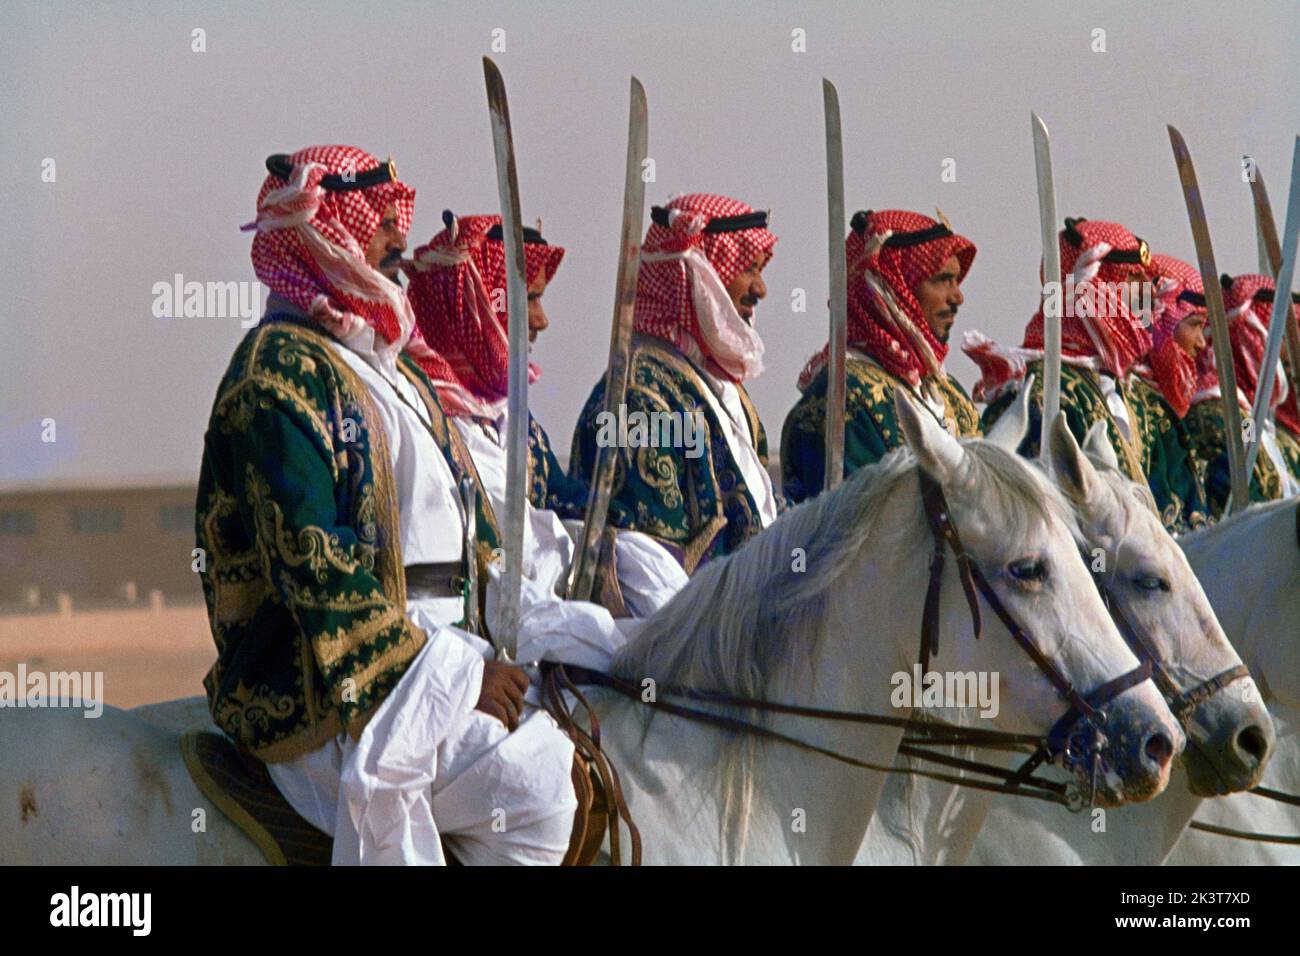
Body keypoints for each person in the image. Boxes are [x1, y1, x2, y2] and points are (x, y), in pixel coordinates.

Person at [196, 145, 575, 865]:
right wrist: (460, 681)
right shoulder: (276, 376)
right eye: (379, 223)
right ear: (323, 230)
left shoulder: (392, 373)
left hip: (448, 657)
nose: (396, 240)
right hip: (328, 693)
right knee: (537, 789)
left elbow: (481, 545)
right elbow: (316, 565)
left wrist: (551, 636)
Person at [404, 211, 688, 620]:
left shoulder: (512, 420)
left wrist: (611, 521)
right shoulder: (425, 421)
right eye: (529, 300)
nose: (541, 320)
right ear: (476, 309)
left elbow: (561, 495)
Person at [570, 193, 781, 571]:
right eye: (748, 268)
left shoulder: (722, 391)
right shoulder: (637, 398)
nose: (760, 288)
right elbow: (653, 572)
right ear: (696, 275)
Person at [780, 209, 979, 502]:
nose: (957, 296)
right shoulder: (842, 399)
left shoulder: (952, 396)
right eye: (942, 279)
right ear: (892, 288)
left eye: (956, 281)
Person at [974, 218, 1153, 485]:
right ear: (1093, 284)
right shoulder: (1044, 392)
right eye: (1131, 277)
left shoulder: (1106, 383)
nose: (1145, 292)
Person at [1183, 272, 1300, 517]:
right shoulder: (1218, 419)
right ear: (1251, 336)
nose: (1289, 353)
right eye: (1281, 337)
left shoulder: (1250, 420)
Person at [1120, 253, 1210, 533]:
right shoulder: (1128, 400)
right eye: (1194, 325)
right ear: (1161, 321)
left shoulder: (1158, 405)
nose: (1201, 344)